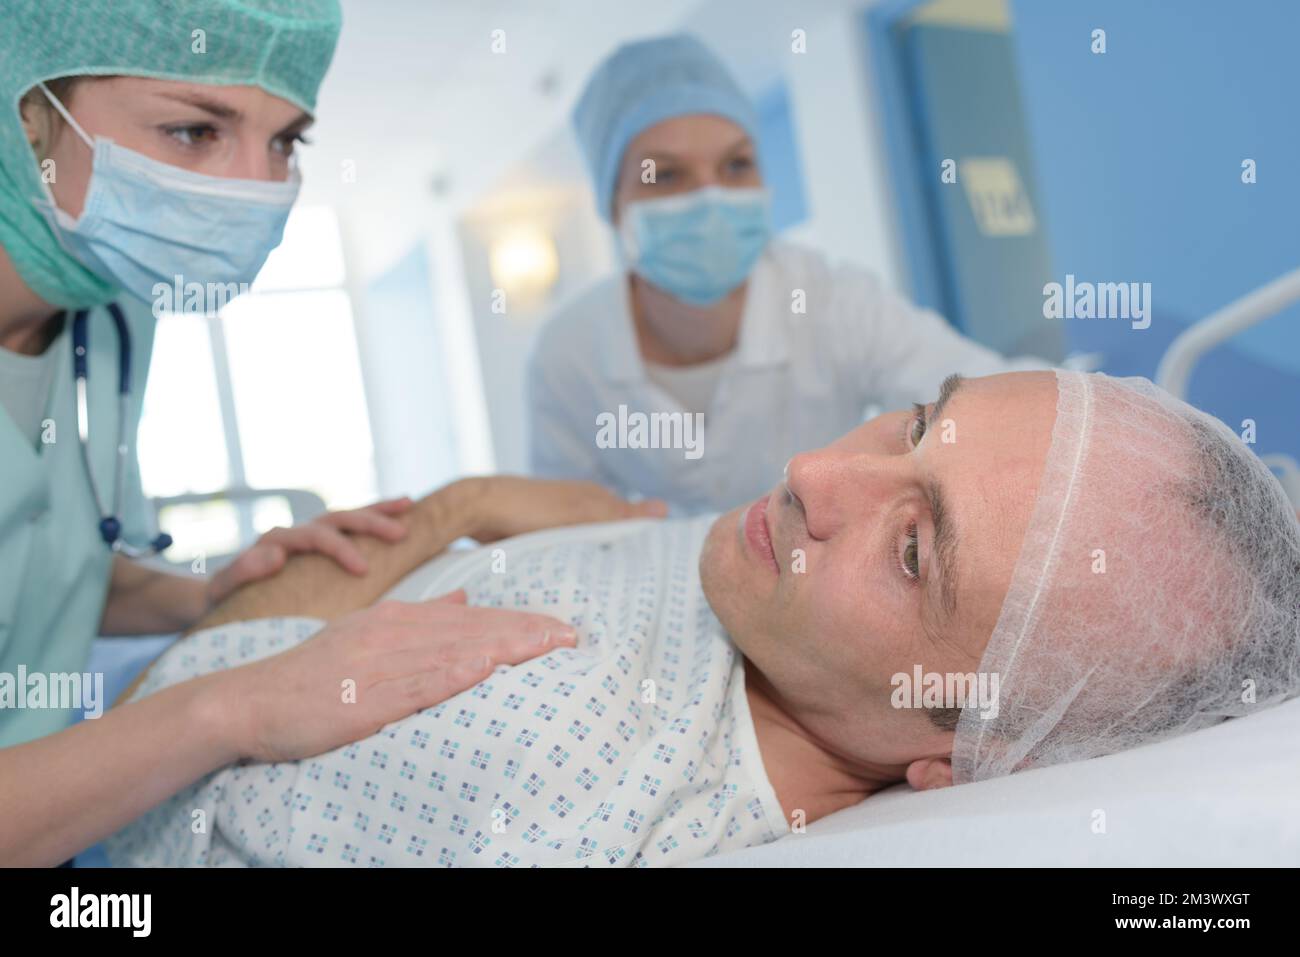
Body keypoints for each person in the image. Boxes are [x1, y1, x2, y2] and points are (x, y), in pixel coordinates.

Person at [108, 371, 1300, 866]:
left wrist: (450, 519)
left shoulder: (546, 784)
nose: (810, 475)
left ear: (958, 751)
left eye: (911, 549)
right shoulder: (760, 599)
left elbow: (182, 698)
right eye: (908, 424)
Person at [0, 0, 662, 868]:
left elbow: (49, 554)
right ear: (32, 114)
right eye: (195, 131)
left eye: (286, 143)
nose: (255, 185)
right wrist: (238, 706)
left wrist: (201, 590)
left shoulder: (113, 308)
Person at [527, 34, 1050, 514]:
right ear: (612, 204)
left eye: (736, 166)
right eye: (665, 174)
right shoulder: (569, 353)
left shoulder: (833, 300)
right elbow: (571, 529)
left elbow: (987, 402)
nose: (711, 198)